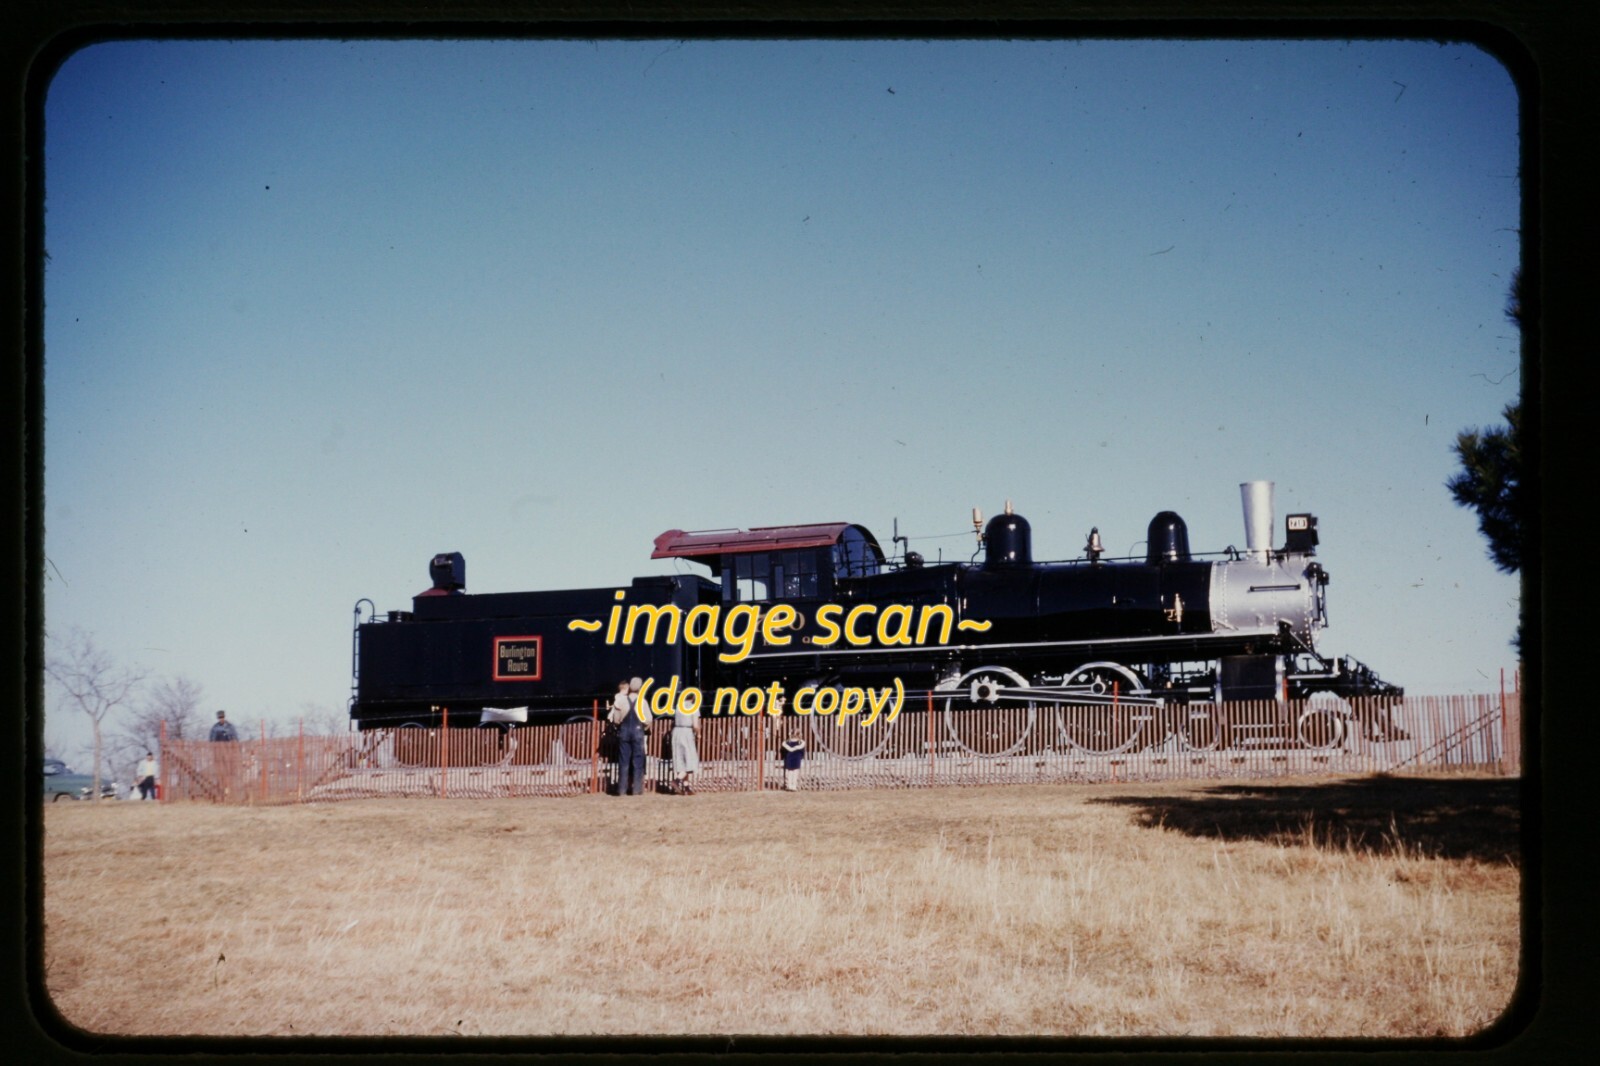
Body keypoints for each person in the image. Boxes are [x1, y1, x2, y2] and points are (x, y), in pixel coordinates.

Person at [615, 677, 648, 796]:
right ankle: (637, 789)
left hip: (624, 731)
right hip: (637, 731)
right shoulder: (642, 702)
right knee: (638, 760)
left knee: (623, 761)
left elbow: (616, 720)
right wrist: (645, 727)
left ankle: (622, 789)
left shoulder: (621, 701)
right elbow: (648, 719)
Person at [670, 695, 699, 795]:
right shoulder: (693, 707)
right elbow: (695, 725)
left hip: (677, 732)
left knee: (681, 760)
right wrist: (698, 733)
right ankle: (676, 781)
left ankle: (686, 788)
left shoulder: (678, 706)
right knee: (691, 760)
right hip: (687, 732)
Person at [780, 727, 807, 792]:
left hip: (789, 758)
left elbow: (785, 746)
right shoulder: (801, 743)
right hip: (797, 759)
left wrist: (789, 738)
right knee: (795, 773)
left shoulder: (786, 742)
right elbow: (801, 746)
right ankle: (793, 786)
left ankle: (789, 786)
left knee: (789, 773)